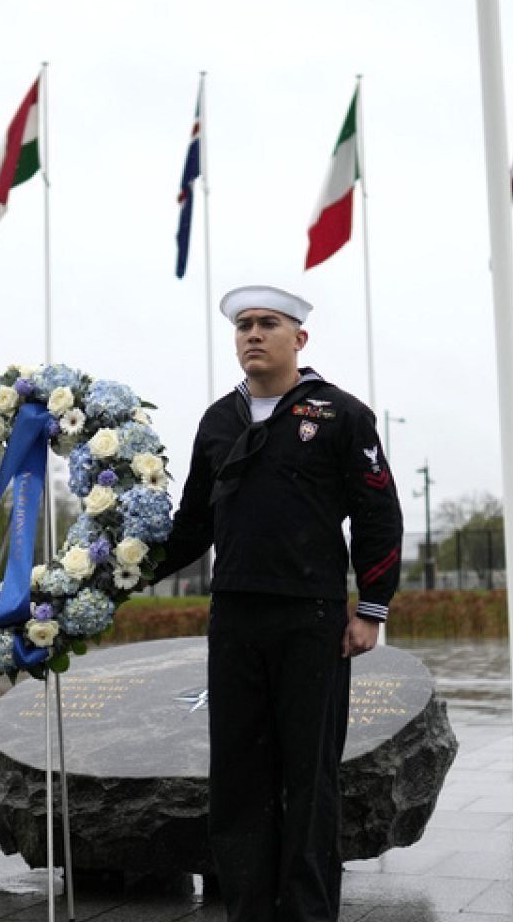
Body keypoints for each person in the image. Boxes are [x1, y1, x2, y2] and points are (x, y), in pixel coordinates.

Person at [154, 284, 404, 922]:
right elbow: (192, 525)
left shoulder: (342, 414)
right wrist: (121, 569)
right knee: (238, 778)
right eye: (243, 325)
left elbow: (379, 515)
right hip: (235, 616)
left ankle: (309, 912)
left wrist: (371, 607)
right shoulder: (218, 420)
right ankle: (248, 910)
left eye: (267, 323)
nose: (253, 335)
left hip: (311, 618)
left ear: (300, 338)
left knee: (309, 780)